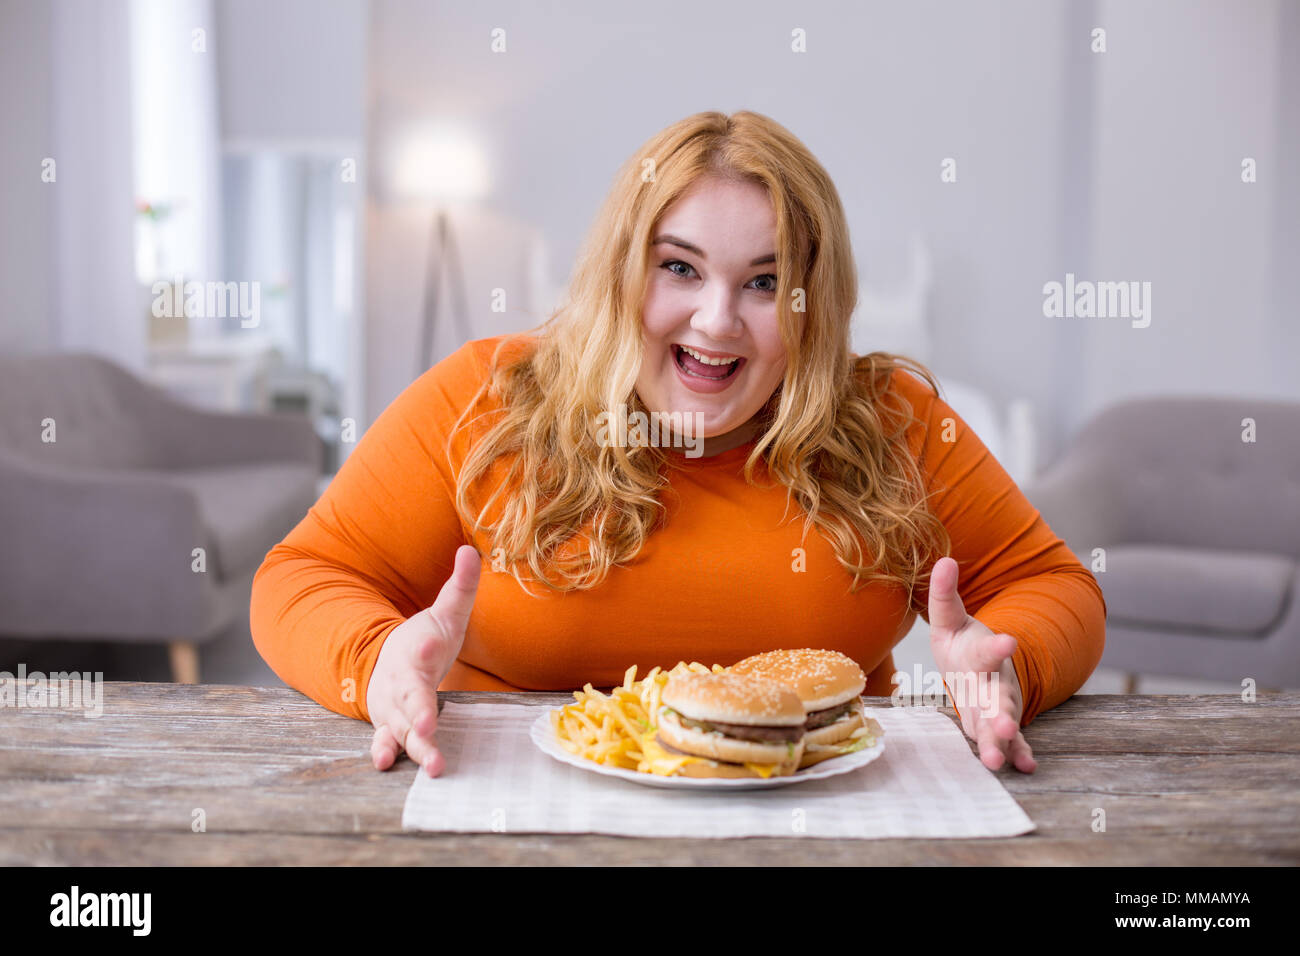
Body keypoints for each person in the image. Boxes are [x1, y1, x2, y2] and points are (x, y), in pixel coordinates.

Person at [250, 110, 1106, 780]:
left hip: (820, 820)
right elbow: (302, 578)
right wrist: (378, 660)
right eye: (680, 268)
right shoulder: (485, 398)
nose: (717, 320)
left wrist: (1005, 670)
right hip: (512, 814)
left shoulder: (892, 418)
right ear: (622, 270)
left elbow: (1050, 586)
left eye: (766, 282)